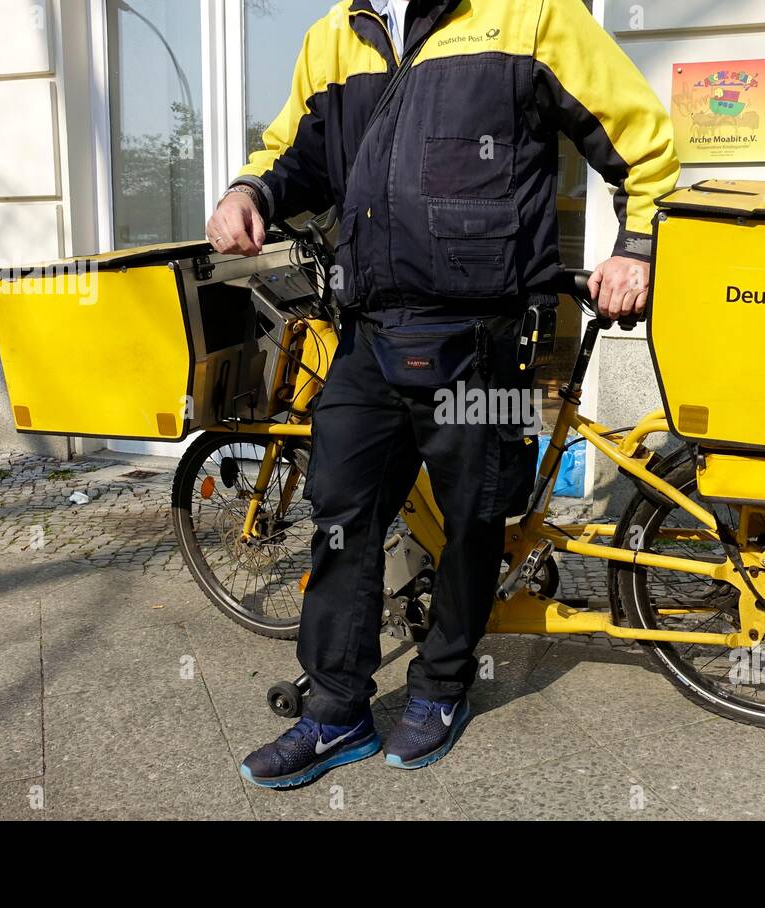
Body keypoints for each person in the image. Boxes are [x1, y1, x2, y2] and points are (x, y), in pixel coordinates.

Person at [206, 0, 679, 788]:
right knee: (341, 516)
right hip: (367, 331)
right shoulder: (334, 34)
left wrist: (637, 244)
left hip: (483, 334)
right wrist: (249, 190)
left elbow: (637, 134)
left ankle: (442, 687)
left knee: (472, 517)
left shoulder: (528, 16)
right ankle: (333, 712)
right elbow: (294, 152)